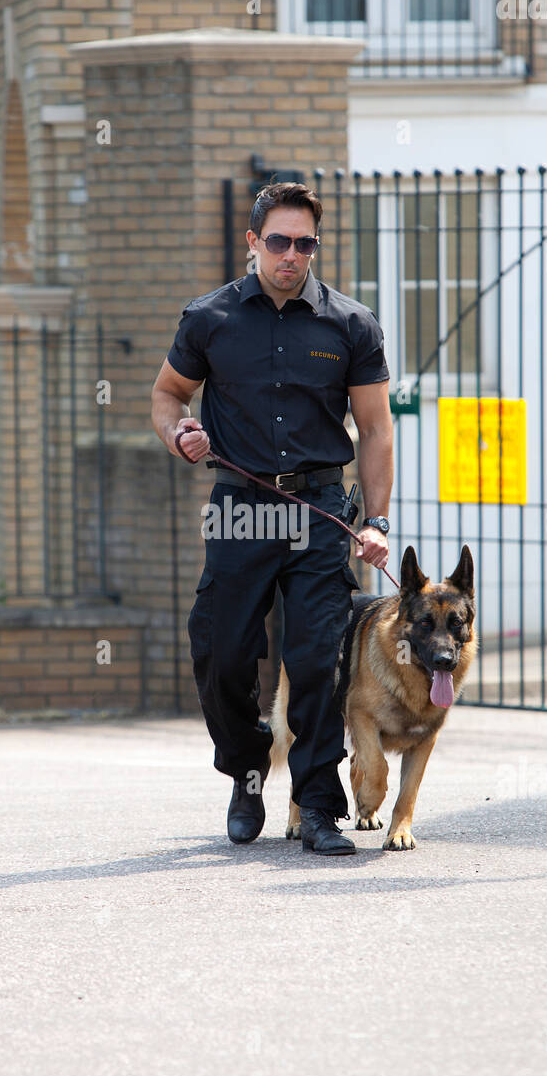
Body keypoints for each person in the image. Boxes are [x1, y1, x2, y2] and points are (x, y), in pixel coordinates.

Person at [151, 181, 393, 855]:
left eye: (305, 243)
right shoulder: (211, 318)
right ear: (255, 241)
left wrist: (376, 521)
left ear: (316, 246)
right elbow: (168, 396)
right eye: (279, 241)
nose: (292, 254)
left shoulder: (351, 324)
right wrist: (180, 437)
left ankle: (317, 804)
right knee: (222, 650)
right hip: (241, 506)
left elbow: (375, 431)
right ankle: (248, 763)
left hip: (319, 507)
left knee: (316, 657)